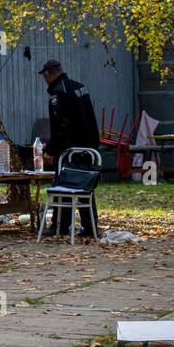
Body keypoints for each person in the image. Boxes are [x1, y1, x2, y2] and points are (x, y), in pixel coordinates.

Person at [39, 59, 101, 235]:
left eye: (45, 75)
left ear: (48, 74)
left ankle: (59, 225)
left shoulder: (59, 94)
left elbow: (64, 125)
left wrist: (51, 149)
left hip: (71, 148)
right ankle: (90, 226)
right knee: (84, 185)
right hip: (89, 145)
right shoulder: (79, 87)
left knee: (64, 184)